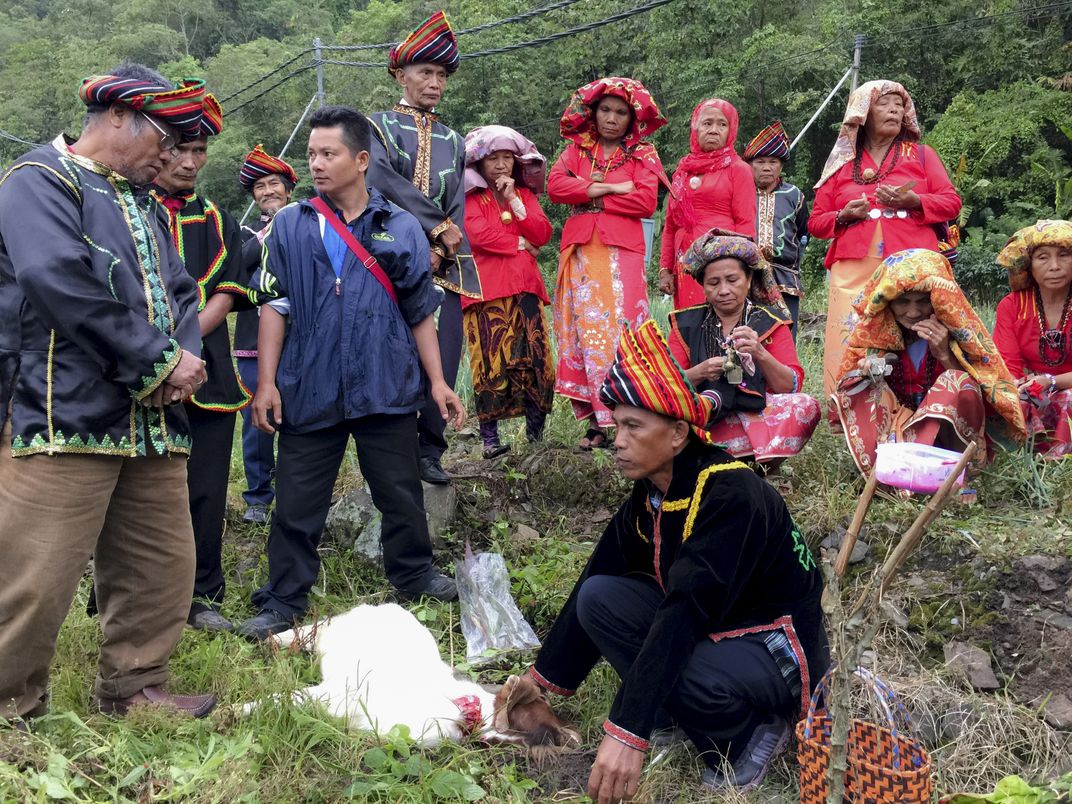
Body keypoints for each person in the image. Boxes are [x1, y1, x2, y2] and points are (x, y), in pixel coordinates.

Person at [529, 319, 828, 798]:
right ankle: (671, 713)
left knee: (678, 655)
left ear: (675, 434)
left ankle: (748, 738)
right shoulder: (654, 491)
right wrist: (539, 682)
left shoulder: (731, 493)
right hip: (720, 625)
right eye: (616, 425)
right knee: (599, 596)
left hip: (777, 645)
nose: (618, 440)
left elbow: (685, 609)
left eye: (632, 426)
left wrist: (627, 728)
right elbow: (601, 568)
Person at [0, 64, 216, 723]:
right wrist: (157, 361)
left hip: (150, 424)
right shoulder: (38, 181)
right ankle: (9, 708)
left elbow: (181, 292)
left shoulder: (142, 201)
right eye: (165, 139)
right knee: (35, 575)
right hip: (61, 414)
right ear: (118, 118)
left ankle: (136, 687)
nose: (173, 156)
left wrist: (187, 357)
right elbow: (57, 280)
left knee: (162, 564)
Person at [238, 105, 465, 641]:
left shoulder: (399, 225)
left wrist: (436, 383)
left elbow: (418, 311)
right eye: (312, 153)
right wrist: (267, 383)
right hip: (309, 386)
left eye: (328, 153)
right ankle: (284, 598)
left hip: (385, 384)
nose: (315, 163)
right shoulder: (291, 225)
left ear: (361, 160)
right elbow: (276, 305)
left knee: (401, 492)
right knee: (296, 500)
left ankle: (413, 576)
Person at [149, 91, 250, 633]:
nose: (190, 162)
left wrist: (179, 344)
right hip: (134, 373)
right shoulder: (125, 210)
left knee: (206, 489)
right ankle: (121, 594)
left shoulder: (217, 220)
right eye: (181, 149)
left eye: (200, 150)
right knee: (133, 491)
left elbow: (226, 295)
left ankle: (201, 594)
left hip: (205, 373)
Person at [367, 10, 481, 485]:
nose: (434, 83)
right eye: (425, 73)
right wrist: (431, 230)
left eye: (441, 75)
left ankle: (431, 449)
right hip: (387, 253)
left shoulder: (455, 140)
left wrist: (445, 243)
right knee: (392, 351)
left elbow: (455, 199)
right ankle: (392, 448)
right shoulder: (376, 127)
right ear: (400, 75)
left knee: (445, 351)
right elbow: (378, 180)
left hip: (444, 262)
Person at [809, 80, 962, 398]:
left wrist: (914, 202)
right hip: (853, 265)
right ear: (862, 113)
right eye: (885, 103)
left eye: (899, 104)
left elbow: (951, 202)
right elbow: (816, 223)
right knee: (850, 336)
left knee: (915, 332)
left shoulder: (921, 154)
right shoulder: (841, 164)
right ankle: (847, 410)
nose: (895, 109)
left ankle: (924, 401)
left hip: (912, 263)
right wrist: (844, 216)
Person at [548, 76, 669, 449]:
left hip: (623, 253)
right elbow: (554, 187)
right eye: (605, 110)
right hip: (582, 251)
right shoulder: (576, 151)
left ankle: (625, 418)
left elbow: (646, 202)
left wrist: (588, 195)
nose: (612, 118)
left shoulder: (643, 154)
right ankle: (597, 424)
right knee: (585, 333)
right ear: (593, 112)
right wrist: (609, 188)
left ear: (632, 119)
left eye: (620, 112)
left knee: (622, 334)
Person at [831, 248, 1026, 477]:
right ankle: (886, 470)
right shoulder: (873, 335)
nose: (913, 313)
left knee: (957, 380)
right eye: (902, 301)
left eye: (923, 302)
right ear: (887, 302)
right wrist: (867, 373)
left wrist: (944, 354)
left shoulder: (959, 334)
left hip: (945, 443)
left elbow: (979, 395)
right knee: (859, 386)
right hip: (894, 435)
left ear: (938, 300)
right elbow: (846, 390)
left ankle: (955, 473)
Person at [667, 230, 820, 465]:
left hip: (754, 417)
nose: (724, 290)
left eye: (733, 280)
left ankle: (760, 465)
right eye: (714, 283)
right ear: (704, 287)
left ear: (748, 281)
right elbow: (663, 386)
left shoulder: (770, 323)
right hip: (702, 416)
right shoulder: (685, 324)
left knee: (804, 406)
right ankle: (706, 458)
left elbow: (790, 386)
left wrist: (760, 353)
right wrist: (700, 372)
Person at [460, 125, 554, 459]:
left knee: (534, 361)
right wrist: (519, 243)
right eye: (493, 159)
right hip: (487, 290)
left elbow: (542, 233)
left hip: (526, 288)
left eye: (507, 158)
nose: (501, 165)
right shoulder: (471, 197)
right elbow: (476, 234)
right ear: (479, 165)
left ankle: (535, 437)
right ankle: (489, 440)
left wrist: (514, 198)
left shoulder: (524, 196)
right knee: (489, 363)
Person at [235, 145, 300, 524]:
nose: (267, 191)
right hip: (252, 344)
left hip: (299, 340)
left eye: (274, 183)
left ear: (288, 190)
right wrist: (267, 234)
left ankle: (297, 492)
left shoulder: (307, 223)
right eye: (259, 186)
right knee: (257, 424)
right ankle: (258, 497)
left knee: (299, 419)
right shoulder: (243, 232)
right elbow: (236, 266)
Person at [658, 98, 756, 309]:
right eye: (707, 123)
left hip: (721, 263)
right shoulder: (682, 172)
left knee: (719, 322)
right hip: (684, 261)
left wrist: (742, 270)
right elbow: (671, 226)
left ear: (731, 131)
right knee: (688, 322)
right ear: (695, 128)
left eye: (722, 124)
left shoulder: (738, 169)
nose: (714, 130)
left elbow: (746, 224)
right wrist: (665, 270)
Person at [994, 220, 1072, 460]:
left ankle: (1059, 464)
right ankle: (1020, 460)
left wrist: (1050, 381)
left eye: (1064, 255)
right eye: (1043, 258)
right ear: (1028, 265)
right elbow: (1007, 367)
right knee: (1015, 397)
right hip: (1032, 387)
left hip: (1065, 387)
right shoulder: (1012, 306)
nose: (1055, 266)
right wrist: (1026, 387)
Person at [741, 121, 810, 335]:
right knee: (746, 338)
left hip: (785, 280)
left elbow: (803, 232)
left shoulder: (794, 195)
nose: (767, 167)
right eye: (760, 162)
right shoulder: (741, 193)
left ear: (781, 166)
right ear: (750, 165)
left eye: (773, 161)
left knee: (785, 336)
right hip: (746, 277)